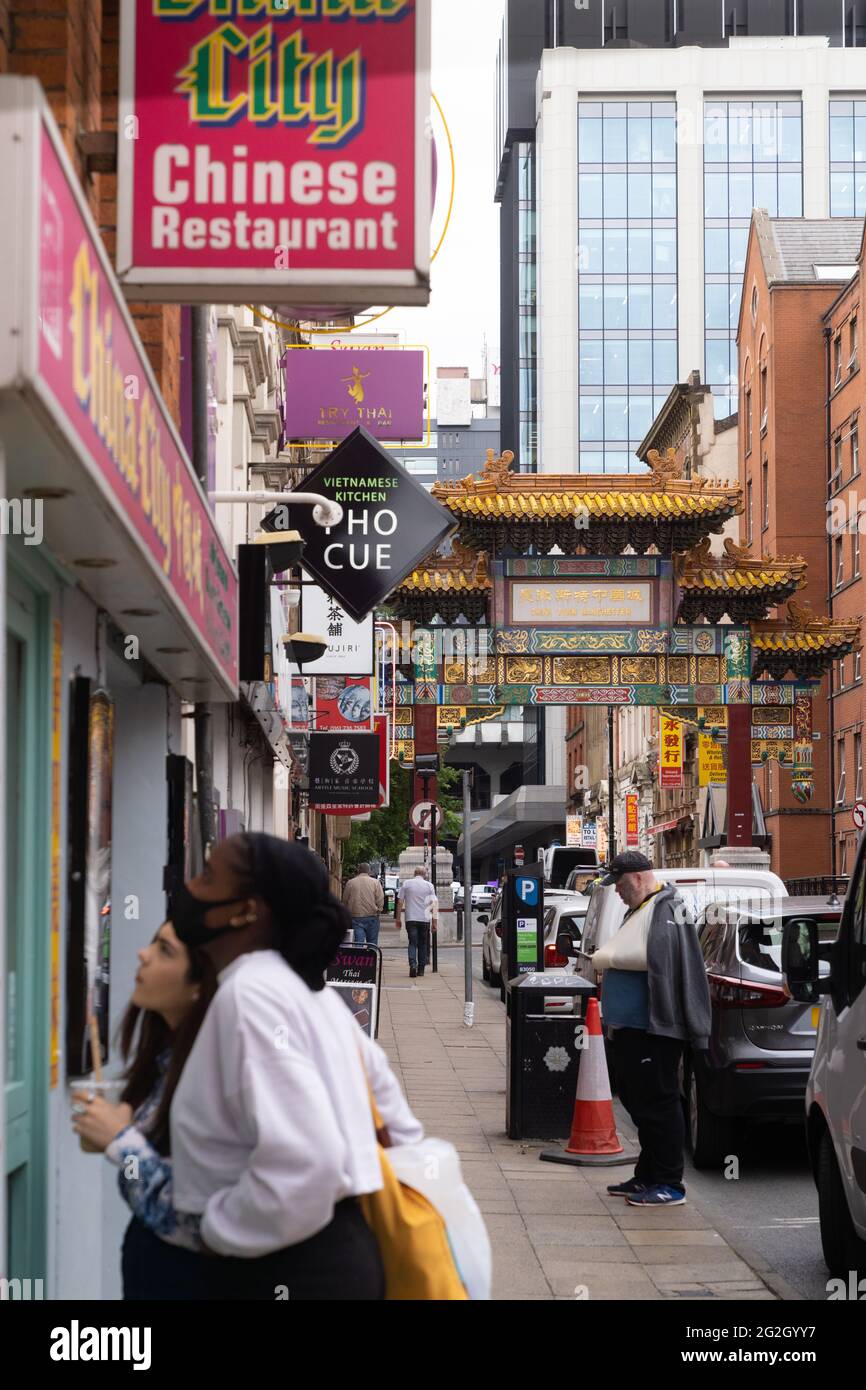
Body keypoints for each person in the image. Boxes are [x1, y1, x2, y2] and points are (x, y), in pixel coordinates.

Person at [169, 832, 424, 1301]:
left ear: (247, 910)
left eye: (207, 877)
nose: (191, 888)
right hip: (335, 1252)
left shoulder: (251, 995)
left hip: (283, 1266)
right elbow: (402, 1130)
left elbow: (308, 1163)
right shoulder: (313, 997)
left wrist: (216, 1228)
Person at [70, 922, 217, 1299]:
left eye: (164, 950)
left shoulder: (210, 1071)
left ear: (199, 984)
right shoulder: (166, 1056)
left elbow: (196, 1220)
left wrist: (121, 1141)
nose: (142, 954)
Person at [591, 851, 711, 1209]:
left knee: (658, 1104)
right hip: (632, 1029)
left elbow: (671, 961)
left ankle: (670, 1183)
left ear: (640, 877)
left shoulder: (668, 908)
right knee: (637, 1101)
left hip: (654, 1030)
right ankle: (647, 1173)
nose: (617, 892)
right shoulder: (641, 910)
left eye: (621, 885)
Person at [395, 866, 438, 979]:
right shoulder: (429, 886)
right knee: (423, 944)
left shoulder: (407, 884)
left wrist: (398, 918)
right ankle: (421, 970)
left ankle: (413, 964)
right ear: (424, 874)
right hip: (424, 919)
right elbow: (434, 905)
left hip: (410, 918)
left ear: (414, 873)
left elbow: (400, 902)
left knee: (412, 943)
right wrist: (434, 922)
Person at [342, 862, 385, 946]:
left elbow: (345, 900)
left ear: (358, 870)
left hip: (355, 917)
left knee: (358, 943)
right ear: (369, 871)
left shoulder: (350, 883)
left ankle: (359, 958)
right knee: (372, 943)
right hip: (372, 915)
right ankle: (372, 958)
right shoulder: (375, 882)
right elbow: (380, 899)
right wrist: (379, 910)